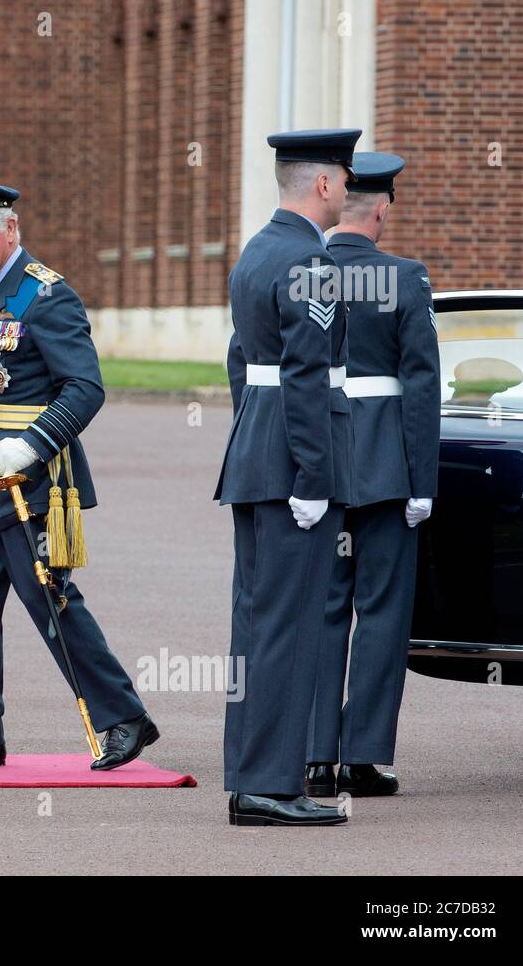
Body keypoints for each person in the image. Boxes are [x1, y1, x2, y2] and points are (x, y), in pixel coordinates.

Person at [0, 179, 156, 772]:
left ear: (10, 228)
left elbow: (85, 388)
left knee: (52, 601)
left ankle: (124, 717)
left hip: (32, 479)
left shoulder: (46, 296)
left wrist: (32, 446)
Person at [215, 129, 360, 826]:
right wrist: (311, 473)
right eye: (343, 180)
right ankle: (271, 785)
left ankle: (254, 776)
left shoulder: (259, 251)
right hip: (293, 463)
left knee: (258, 623)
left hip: (257, 454)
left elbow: (240, 358)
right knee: (291, 625)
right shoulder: (310, 261)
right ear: (324, 185)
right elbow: (306, 374)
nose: (347, 194)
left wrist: (260, 436)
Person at [305, 153, 440, 800]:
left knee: (322, 609)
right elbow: (420, 385)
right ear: (381, 210)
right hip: (386, 463)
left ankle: (311, 755)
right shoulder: (406, 278)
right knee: (382, 610)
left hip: (319, 463)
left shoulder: (302, 271)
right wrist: (423, 479)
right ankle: (364, 755)